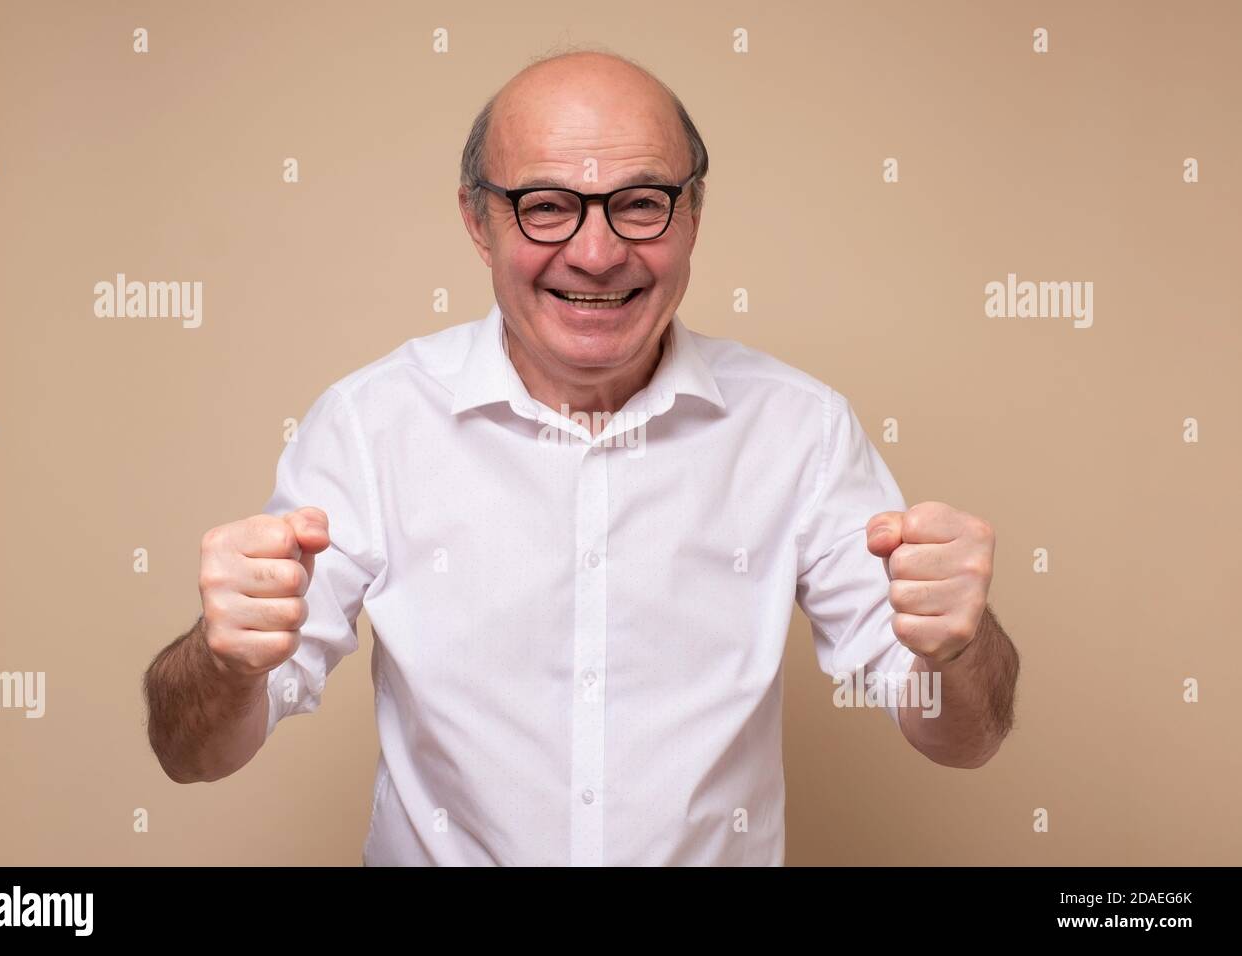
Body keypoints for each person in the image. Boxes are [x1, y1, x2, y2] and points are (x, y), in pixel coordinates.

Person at [144, 49, 1020, 866]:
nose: (596, 255)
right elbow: (194, 756)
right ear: (478, 221)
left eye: (641, 203)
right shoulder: (370, 425)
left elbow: (961, 735)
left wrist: (957, 648)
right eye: (546, 205)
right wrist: (224, 663)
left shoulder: (801, 430)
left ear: (694, 215)